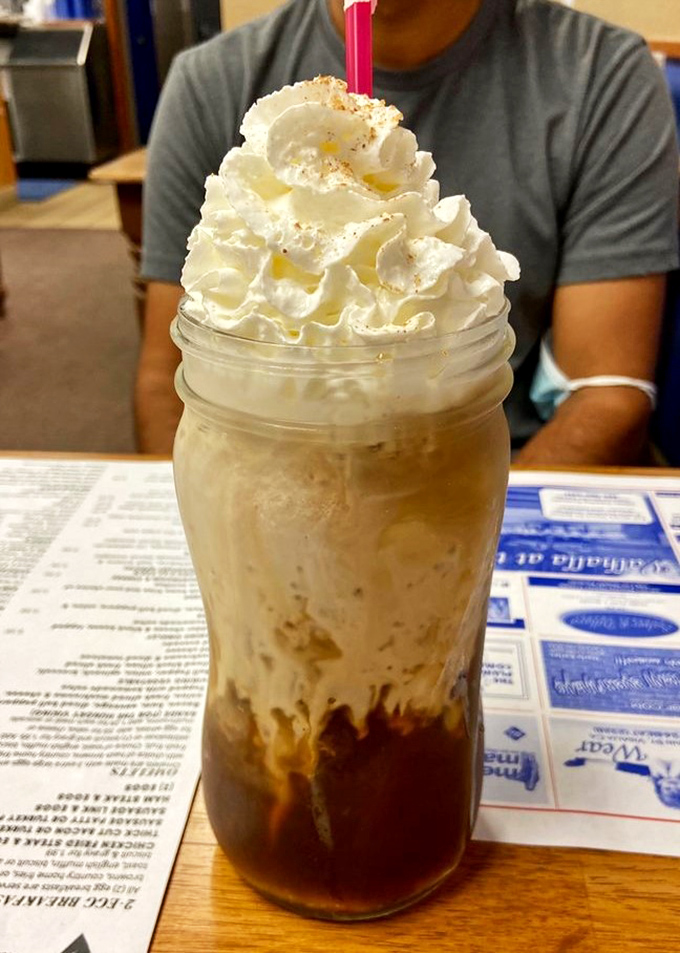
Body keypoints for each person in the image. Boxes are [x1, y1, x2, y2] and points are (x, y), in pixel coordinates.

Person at [137, 0, 680, 462]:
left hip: (493, 462)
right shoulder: (212, 82)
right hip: (264, 470)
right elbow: (169, 374)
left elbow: (609, 392)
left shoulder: (598, 72)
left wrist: (472, 528)